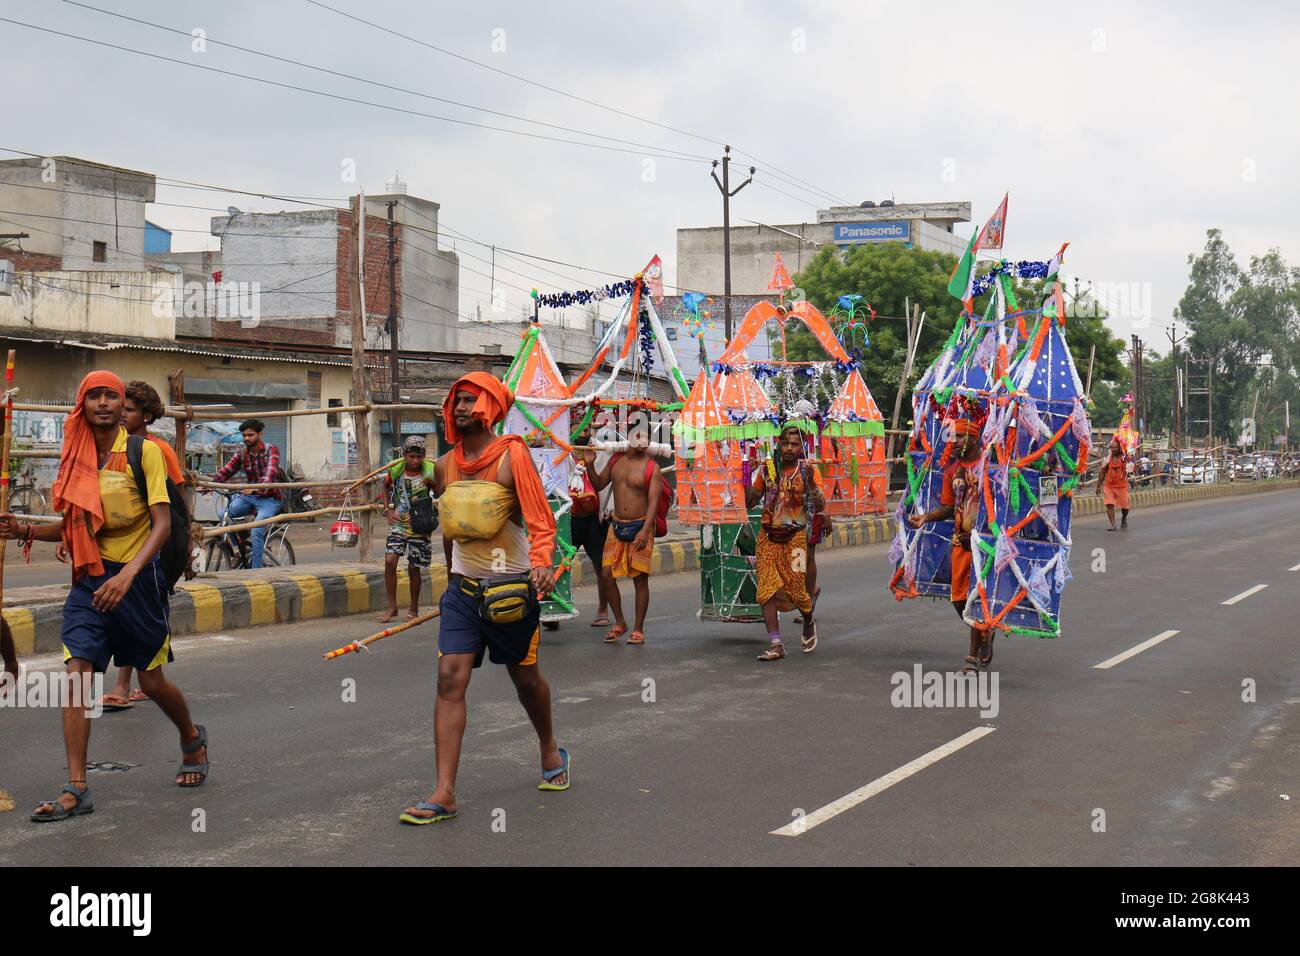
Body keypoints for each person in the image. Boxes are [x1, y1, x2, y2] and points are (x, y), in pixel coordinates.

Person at [0, 371, 208, 822]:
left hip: (139, 577)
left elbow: (163, 524)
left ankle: (191, 738)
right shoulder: (75, 456)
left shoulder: (144, 452)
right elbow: (79, 525)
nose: (102, 403)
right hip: (89, 578)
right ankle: (76, 786)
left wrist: (128, 576)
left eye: (110, 396)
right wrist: (27, 529)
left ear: (121, 405)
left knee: (151, 683)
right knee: (78, 674)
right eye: (92, 396)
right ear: (81, 405)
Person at [400, 372, 567, 825]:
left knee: (525, 680)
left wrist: (541, 562)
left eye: (469, 400)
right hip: (463, 592)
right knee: (448, 679)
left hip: (510, 588)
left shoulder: (512, 455)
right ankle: (444, 792)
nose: (458, 408)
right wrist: (451, 579)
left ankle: (550, 748)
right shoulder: (445, 466)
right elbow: (449, 529)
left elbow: (541, 520)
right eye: (454, 401)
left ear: (490, 407)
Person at [99, 381, 187, 711]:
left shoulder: (155, 450)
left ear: (146, 416)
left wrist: (186, 545)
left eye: (130, 409)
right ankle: (126, 685)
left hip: (154, 549)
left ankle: (135, 684)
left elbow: (177, 501)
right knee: (124, 613)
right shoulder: (111, 449)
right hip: (121, 550)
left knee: (143, 615)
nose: (123, 414)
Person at [908, 418, 994, 673]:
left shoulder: (990, 467)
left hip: (985, 544)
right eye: (951, 437)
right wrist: (926, 517)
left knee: (976, 596)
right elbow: (948, 507)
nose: (953, 442)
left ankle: (973, 656)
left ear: (973, 437)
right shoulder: (951, 471)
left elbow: (999, 507)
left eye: (958, 436)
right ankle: (984, 633)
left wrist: (982, 534)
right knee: (959, 600)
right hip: (960, 542)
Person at [747, 426, 823, 661]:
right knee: (765, 590)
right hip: (768, 538)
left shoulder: (809, 470)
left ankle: (808, 621)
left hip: (796, 540)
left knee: (798, 591)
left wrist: (810, 483)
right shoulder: (768, 469)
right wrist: (743, 476)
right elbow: (751, 501)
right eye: (785, 444)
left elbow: (820, 504)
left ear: (802, 447)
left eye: (795, 444)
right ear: (779, 444)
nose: (789, 448)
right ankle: (776, 644)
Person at [584, 418, 661, 646]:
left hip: (641, 527)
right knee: (606, 574)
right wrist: (590, 464)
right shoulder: (616, 461)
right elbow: (598, 485)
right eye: (636, 434)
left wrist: (645, 532)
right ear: (628, 435)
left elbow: (654, 505)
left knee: (639, 579)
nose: (640, 439)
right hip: (616, 526)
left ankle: (638, 629)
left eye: (644, 435)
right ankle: (620, 623)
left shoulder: (651, 468)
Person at [379, 435, 436, 624]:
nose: (415, 460)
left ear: (424, 456)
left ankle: (413, 608)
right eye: (412, 456)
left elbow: (441, 491)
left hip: (420, 527)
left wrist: (429, 516)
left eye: (419, 457)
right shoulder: (396, 470)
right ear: (404, 455)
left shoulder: (429, 473)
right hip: (398, 524)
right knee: (390, 560)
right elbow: (384, 487)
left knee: (414, 567)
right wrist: (388, 510)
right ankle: (392, 606)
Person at [211, 418, 282, 567]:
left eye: (250, 435)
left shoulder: (271, 450)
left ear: (259, 434)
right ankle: (239, 548)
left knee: (257, 530)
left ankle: (256, 572)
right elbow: (226, 471)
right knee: (223, 513)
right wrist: (207, 484)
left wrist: (256, 487)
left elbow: (270, 474)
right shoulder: (242, 453)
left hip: (270, 499)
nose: (247, 438)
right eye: (244, 435)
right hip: (249, 497)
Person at [569, 418, 614, 630]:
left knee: (601, 568)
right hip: (568, 520)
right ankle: (554, 610)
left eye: (586, 428)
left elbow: (606, 481)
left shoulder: (598, 451)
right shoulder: (562, 453)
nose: (582, 432)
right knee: (558, 565)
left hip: (594, 521)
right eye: (578, 427)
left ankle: (603, 610)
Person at [1095, 435, 1131, 531]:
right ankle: (1113, 525)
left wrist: (1130, 465)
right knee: (1109, 504)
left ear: (1119, 448)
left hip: (1121, 486)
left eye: (1116, 447)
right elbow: (1102, 472)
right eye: (1112, 447)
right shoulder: (1107, 459)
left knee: (1125, 507)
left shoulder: (1125, 458)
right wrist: (1098, 486)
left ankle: (1124, 518)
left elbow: (1130, 470)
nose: (1113, 449)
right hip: (1109, 486)